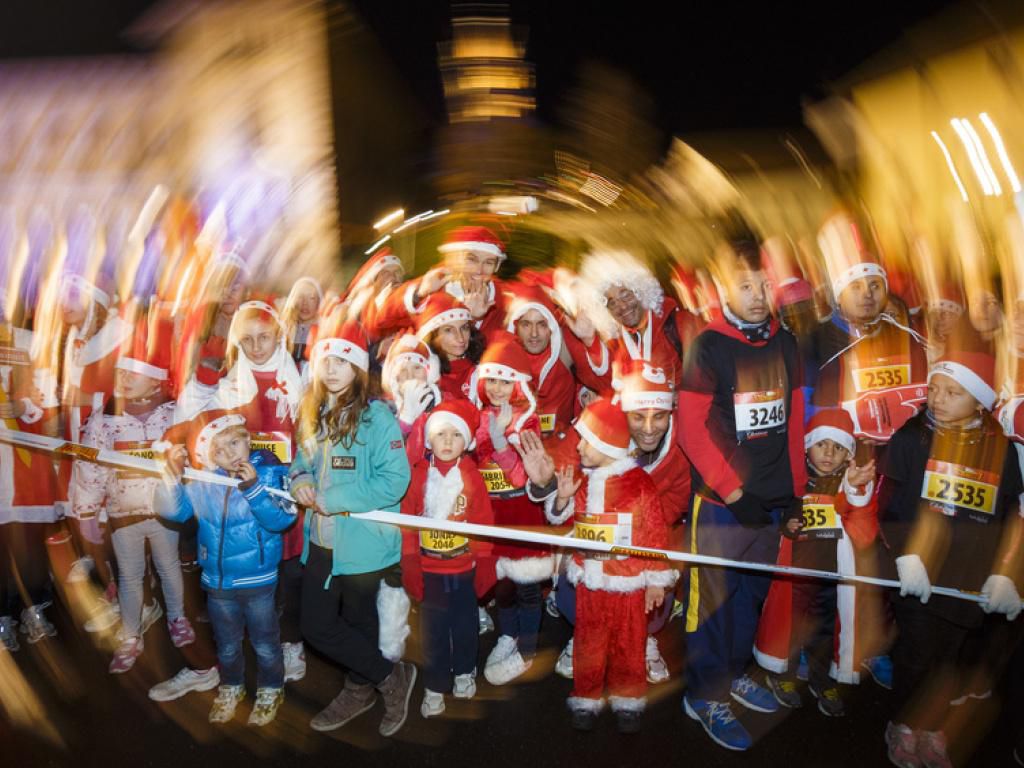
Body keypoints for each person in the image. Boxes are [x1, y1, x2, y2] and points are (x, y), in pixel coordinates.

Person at [679, 235, 806, 751]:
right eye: (744, 285)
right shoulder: (708, 345)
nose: (756, 294)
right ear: (723, 288)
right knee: (712, 603)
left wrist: (796, 493)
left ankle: (733, 674)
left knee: (751, 599)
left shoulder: (786, 341)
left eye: (764, 284)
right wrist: (734, 495)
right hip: (722, 506)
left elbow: (794, 420)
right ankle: (704, 694)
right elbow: (690, 430)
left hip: (771, 504)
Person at [880, 352, 1023, 768]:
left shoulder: (1001, 450)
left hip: (968, 576)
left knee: (951, 655)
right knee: (916, 653)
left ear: (980, 401)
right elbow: (889, 504)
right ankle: (904, 723)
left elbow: (1009, 513)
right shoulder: (910, 439)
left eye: (952, 393)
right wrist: (906, 556)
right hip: (920, 574)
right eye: (933, 390)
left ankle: (933, 726)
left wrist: (1005, 574)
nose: (937, 399)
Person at [288, 323, 415, 737]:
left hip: (364, 547)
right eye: (327, 360)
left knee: (360, 624)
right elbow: (301, 463)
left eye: (343, 361)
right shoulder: (313, 412)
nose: (332, 369)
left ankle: (360, 686)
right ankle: (390, 677)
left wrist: (336, 497)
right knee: (317, 625)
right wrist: (301, 481)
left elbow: (394, 481)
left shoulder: (377, 418)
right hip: (321, 542)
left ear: (359, 368)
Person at [156, 409, 296, 726]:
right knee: (228, 644)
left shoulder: (271, 472)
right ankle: (231, 686)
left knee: (264, 642)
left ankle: (271, 688)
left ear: (248, 439)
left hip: (258, 578)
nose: (229, 453)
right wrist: (172, 477)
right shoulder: (204, 479)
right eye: (218, 450)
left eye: (234, 442)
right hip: (217, 580)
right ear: (209, 456)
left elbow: (283, 519)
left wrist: (254, 489)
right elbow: (172, 512)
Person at [544, 399, 676, 733]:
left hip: (629, 584)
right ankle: (586, 697)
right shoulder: (583, 482)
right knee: (588, 641)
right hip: (590, 582)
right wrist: (561, 499)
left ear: (606, 445)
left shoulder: (640, 485)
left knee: (630, 644)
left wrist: (657, 580)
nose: (579, 446)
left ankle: (627, 699)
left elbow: (655, 534)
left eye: (587, 440)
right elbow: (565, 521)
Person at [72, 318, 194, 672]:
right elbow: (90, 468)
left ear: (156, 378)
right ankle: (130, 635)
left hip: (163, 514)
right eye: (121, 371)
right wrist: (86, 512)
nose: (123, 377)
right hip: (123, 513)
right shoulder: (104, 420)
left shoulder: (174, 415)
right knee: (128, 575)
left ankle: (177, 618)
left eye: (133, 372)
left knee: (169, 568)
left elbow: (192, 457)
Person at [755, 409, 878, 715]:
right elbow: (784, 516)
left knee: (824, 630)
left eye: (838, 448)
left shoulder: (847, 483)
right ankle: (783, 674)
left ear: (848, 454)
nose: (829, 453)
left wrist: (853, 486)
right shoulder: (796, 480)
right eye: (822, 444)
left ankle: (822, 679)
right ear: (807, 446)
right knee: (790, 626)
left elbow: (859, 514)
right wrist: (789, 525)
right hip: (796, 575)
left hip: (831, 577)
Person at [400, 400, 496, 717]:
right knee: (433, 631)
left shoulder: (473, 477)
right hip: (430, 571)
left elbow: (483, 523)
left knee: (466, 626)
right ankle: (435, 683)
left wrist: (484, 563)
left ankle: (465, 671)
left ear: (465, 442)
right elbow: (408, 525)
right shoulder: (417, 477)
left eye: (456, 435)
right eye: (441, 433)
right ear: (429, 438)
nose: (447, 441)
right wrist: (411, 563)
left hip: (463, 569)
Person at [473, 332, 550, 686]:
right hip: (493, 516)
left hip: (522, 516)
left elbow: (522, 478)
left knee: (529, 587)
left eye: (505, 380)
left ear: (517, 383)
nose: (497, 388)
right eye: (492, 380)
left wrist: (502, 439)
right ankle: (507, 636)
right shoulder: (481, 415)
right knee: (501, 583)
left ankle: (528, 649)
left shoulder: (527, 420)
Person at [0, 311, 61, 649]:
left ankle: (34, 609)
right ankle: (2, 618)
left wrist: (23, 405)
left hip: (26, 463)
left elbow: (49, 394)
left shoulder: (29, 342)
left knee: (29, 545)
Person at [415, 293, 484, 401]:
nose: (460, 337)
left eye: (464, 328)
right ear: (433, 335)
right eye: (448, 330)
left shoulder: (484, 368)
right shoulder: (422, 374)